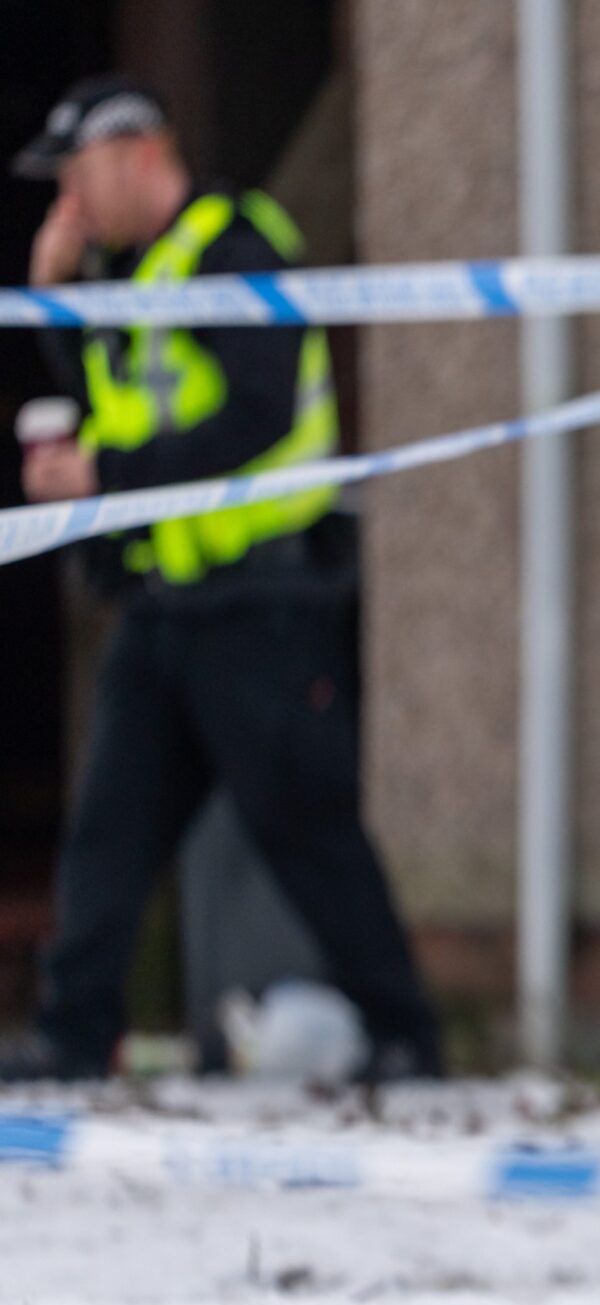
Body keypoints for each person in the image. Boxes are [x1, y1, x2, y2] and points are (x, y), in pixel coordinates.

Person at [0, 76, 441, 1082]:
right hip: (166, 604)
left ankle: (406, 1031)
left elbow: (259, 414)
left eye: (80, 174)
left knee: (306, 831)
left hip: (260, 604)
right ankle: (74, 1038)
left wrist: (105, 476)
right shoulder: (133, 270)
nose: (69, 198)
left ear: (143, 155)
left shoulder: (235, 251)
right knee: (108, 833)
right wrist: (58, 302)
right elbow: (118, 400)